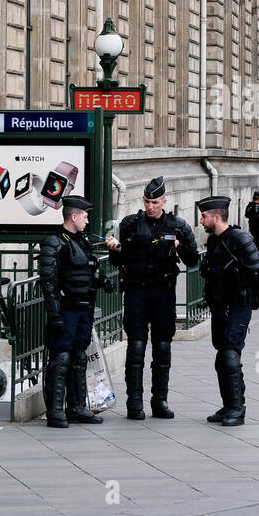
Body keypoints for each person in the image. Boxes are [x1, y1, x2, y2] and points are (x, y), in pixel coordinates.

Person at [105, 177, 201, 421]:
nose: (150, 206)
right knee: (136, 346)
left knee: (162, 346)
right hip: (137, 290)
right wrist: (115, 249)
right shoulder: (130, 224)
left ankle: (160, 400)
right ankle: (134, 402)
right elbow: (117, 261)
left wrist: (178, 246)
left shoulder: (178, 225)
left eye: (155, 202)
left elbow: (193, 260)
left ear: (164, 201)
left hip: (163, 292)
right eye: (147, 201)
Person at [39, 196, 116, 429]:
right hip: (66, 310)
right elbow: (48, 283)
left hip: (84, 309)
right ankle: (55, 411)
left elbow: (89, 269)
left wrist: (104, 281)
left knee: (79, 357)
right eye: (84, 216)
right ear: (73, 216)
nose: (87, 220)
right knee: (61, 359)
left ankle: (77, 407)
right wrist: (55, 316)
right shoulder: (54, 242)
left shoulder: (82, 241)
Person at [197, 195, 259, 427]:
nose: (201, 220)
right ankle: (228, 405)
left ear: (216, 217)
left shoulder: (239, 238)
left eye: (204, 216)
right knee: (221, 356)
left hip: (238, 305)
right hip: (220, 307)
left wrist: (249, 298)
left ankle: (238, 408)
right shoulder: (215, 241)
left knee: (229, 354)